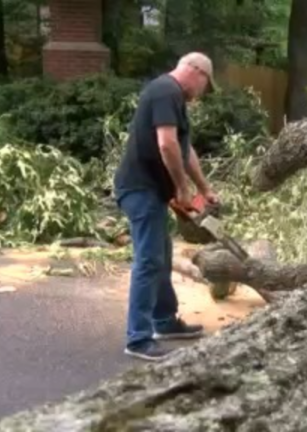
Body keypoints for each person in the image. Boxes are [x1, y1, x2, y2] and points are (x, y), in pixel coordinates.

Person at [113, 52, 219, 361]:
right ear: (197, 72)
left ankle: (164, 321)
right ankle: (138, 339)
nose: (202, 93)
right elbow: (166, 143)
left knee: (161, 255)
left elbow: (185, 150)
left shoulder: (173, 99)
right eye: (206, 85)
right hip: (140, 188)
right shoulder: (165, 91)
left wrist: (204, 189)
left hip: (152, 191)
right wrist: (181, 188)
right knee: (149, 260)